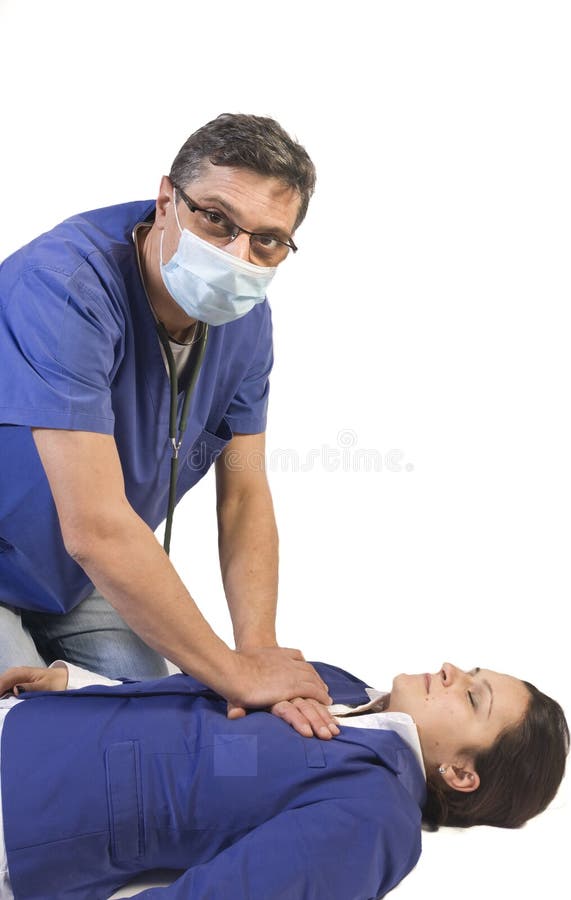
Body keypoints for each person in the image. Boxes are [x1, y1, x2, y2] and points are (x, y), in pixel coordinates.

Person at [0, 113, 332, 725]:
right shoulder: (64, 287)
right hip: (56, 549)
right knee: (26, 735)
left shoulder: (245, 320)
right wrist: (234, 674)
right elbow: (96, 527)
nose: (239, 255)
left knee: (157, 720)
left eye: (267, 239)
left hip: (76, 577)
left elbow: (244, 495)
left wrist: (256, 651)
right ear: (166, 200)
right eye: (216, 219)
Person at [0, 658, 569, 899]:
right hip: (29, 720)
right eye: (468, 669)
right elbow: (199, 707)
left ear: (461, 775)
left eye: (471, 695)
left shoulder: (377, 821)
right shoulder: (341, 686)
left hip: (22, 817)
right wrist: (74, 685)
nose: (449, 670)